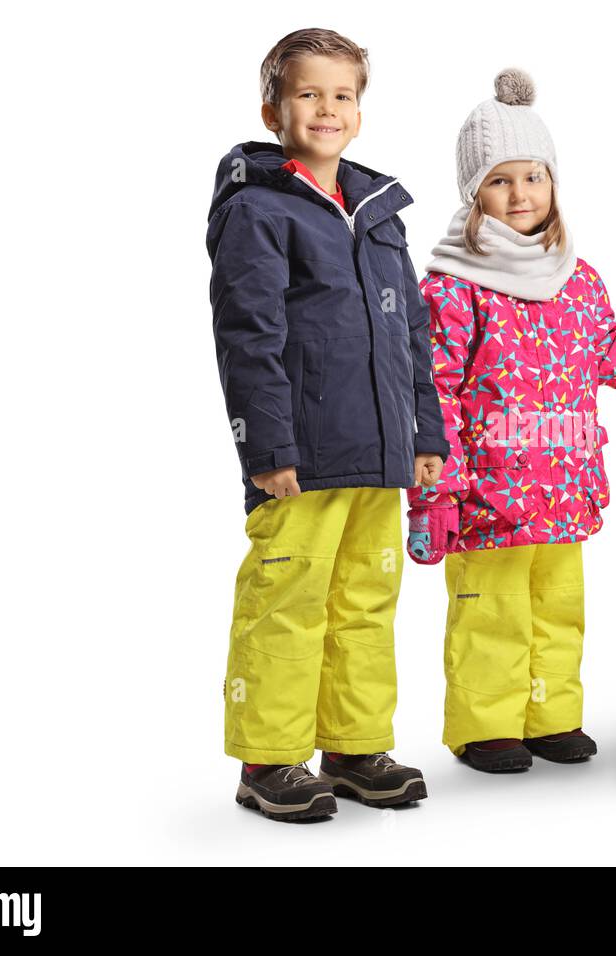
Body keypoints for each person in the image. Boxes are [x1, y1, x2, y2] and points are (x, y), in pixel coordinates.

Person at [406, 68, 616, 773]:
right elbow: (432, 394)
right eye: (500, 181)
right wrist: (434, 494)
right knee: (491, 615)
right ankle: (486, 725)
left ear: (554, 183)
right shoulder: (453, 287)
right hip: (489, 497)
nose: (520, 194)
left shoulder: (575, 278)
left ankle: (550, 714)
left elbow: (609, 354)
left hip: (563, 490)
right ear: (474, 194)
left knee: (558, 611)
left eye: (534, 177)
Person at [207, 28, 448, 820]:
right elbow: (249, 335)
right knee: (289, 603)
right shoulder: (259, 209)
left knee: (365, 603)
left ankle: (353, 746)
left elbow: (412, 330)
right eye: (308, 93)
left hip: (379, 452)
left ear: (360, 109)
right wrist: (267, 447)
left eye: (343, 95)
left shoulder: (380, 209)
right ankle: (269, 760)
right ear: (273, 107)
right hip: (302, 457)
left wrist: (425, 435)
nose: (327, 109)